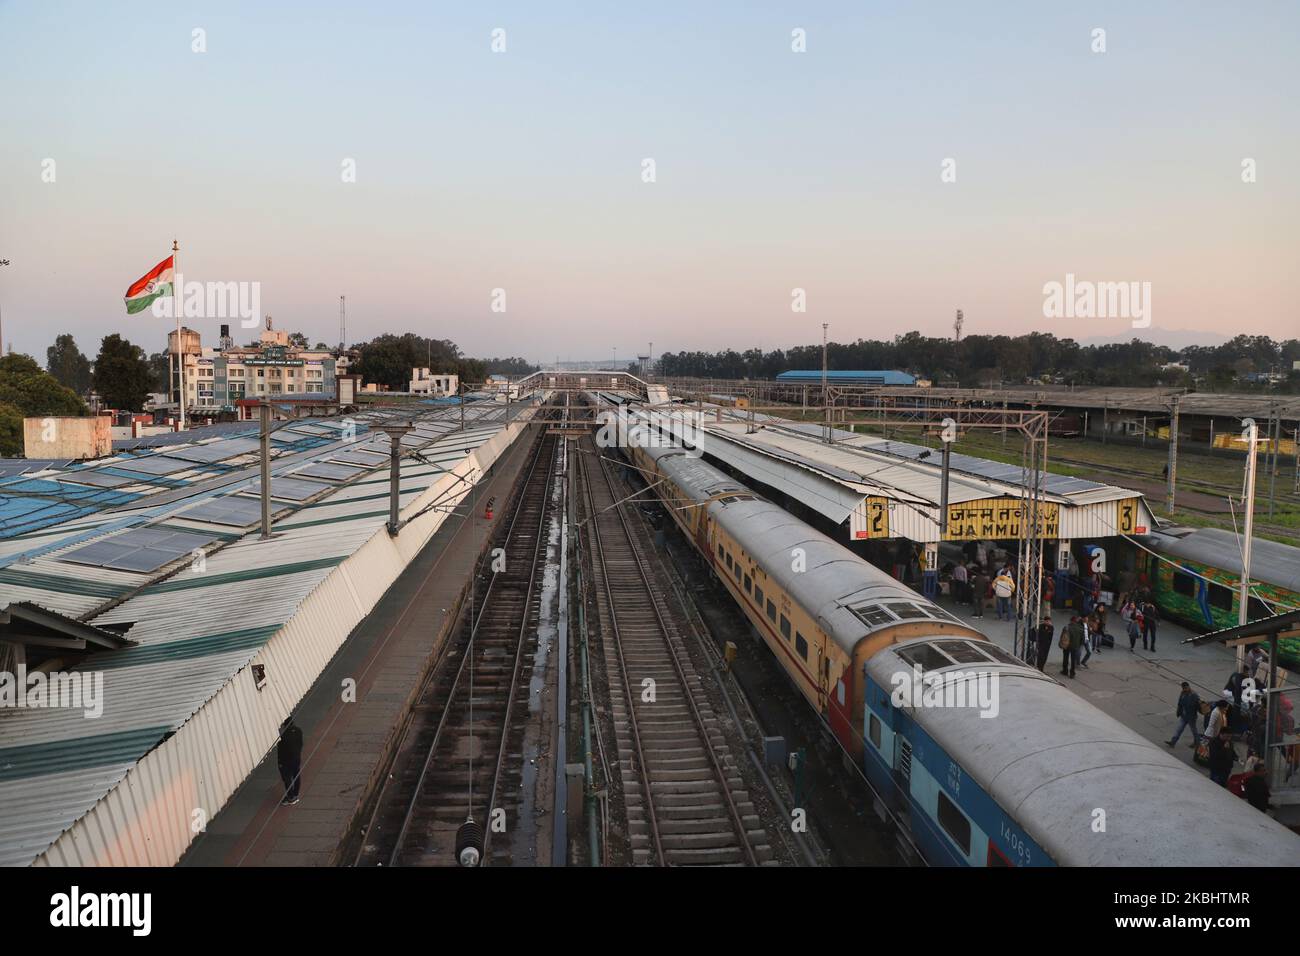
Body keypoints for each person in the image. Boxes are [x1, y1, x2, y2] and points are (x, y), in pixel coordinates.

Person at [277, 716, 304, 806]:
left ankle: (290, 797)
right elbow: (301, 744)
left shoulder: (284, 736)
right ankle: (296, 794)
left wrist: (280, 763)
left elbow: (281, 751)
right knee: (296, 775)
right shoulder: (299, 730)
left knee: (287, 778)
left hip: (286, 761)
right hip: (296, 758)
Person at [1168, 681, 1202, 748]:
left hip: (1191, 717)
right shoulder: (1183, 693)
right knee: (1179, 729)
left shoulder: (1194, 695)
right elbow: (1180, 703)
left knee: (1194, 730)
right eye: (1184, 688)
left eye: (1186, 688)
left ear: (1189, 687)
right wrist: (1178, 711)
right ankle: (1173, 742)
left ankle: (1197, 743)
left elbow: (1199, 705)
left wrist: (1200, 709)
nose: (1185, 689)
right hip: (1184, 716)